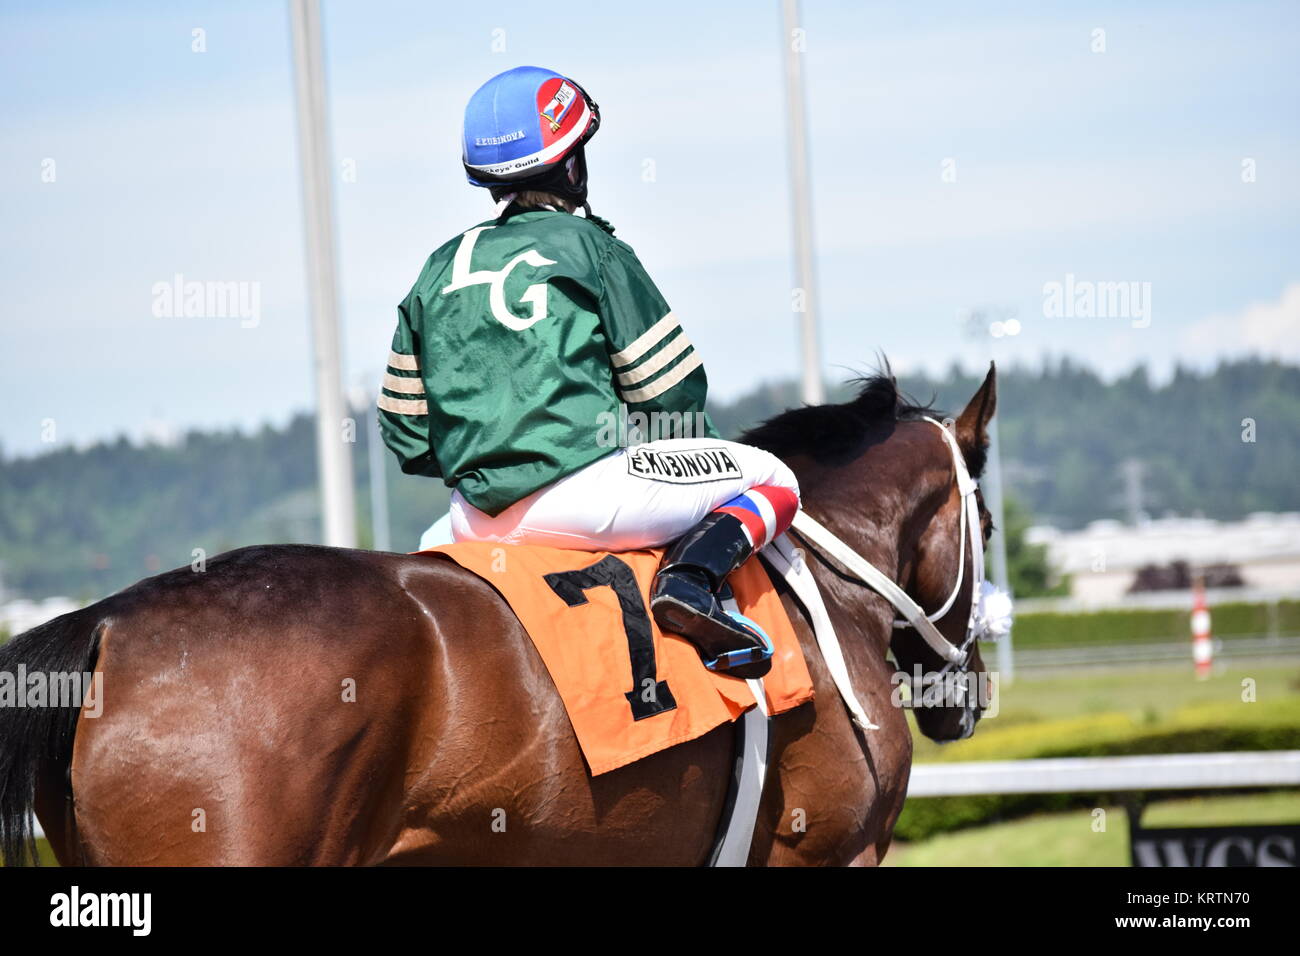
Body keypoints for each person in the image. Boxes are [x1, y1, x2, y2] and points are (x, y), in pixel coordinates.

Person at [378, 66, 800, 678]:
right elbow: (671, 398)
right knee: (776, 477)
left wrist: (492, 457)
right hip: (592, 497)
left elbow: (408, 437)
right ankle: (689, 584)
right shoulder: (592, 247)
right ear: (571, 165)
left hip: (469, 521)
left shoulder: (437, 267)